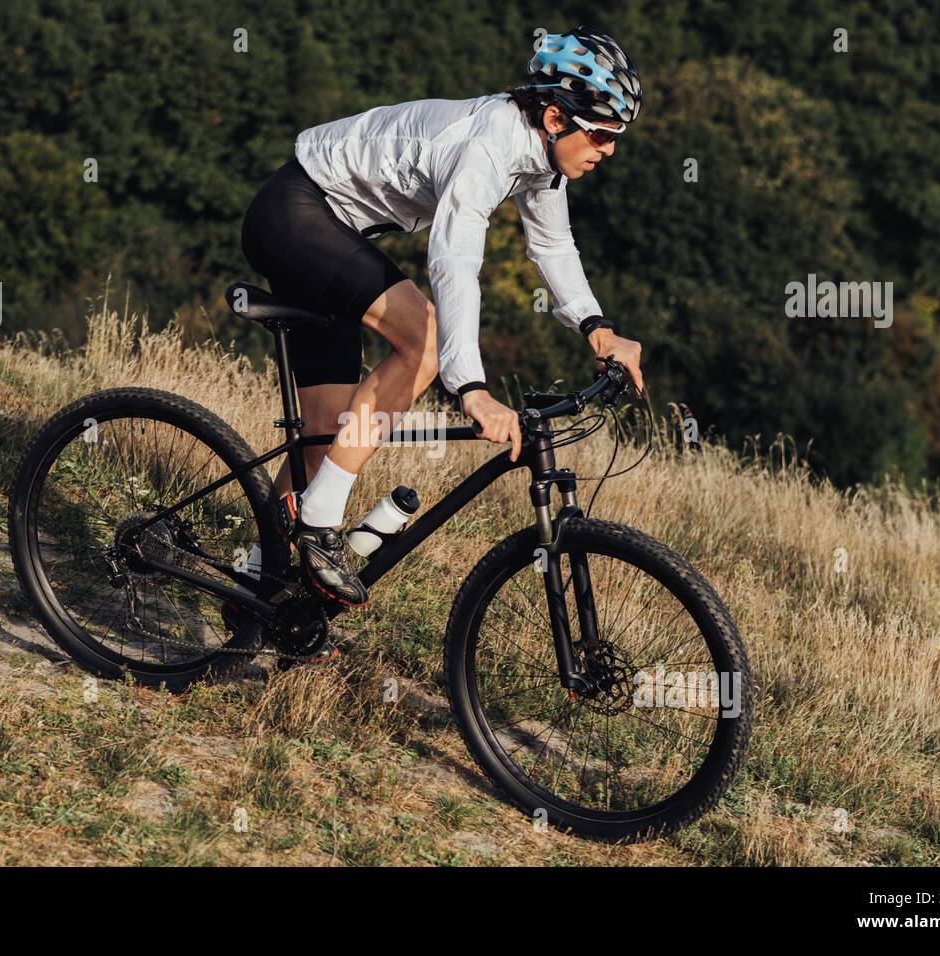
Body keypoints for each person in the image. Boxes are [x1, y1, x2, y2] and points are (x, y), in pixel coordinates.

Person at [239, 26, 646, 607]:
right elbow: (454, 261)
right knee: (422, 339)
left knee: (325, 433)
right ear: (556, 117)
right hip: (295, 213)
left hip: (331, 231)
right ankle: (319, 526)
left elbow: (552, 246)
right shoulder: (488, 143)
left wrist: (596, 328)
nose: (607, 151)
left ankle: (260, 589)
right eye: (602, 135)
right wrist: (471, 388)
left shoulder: (540, 157)